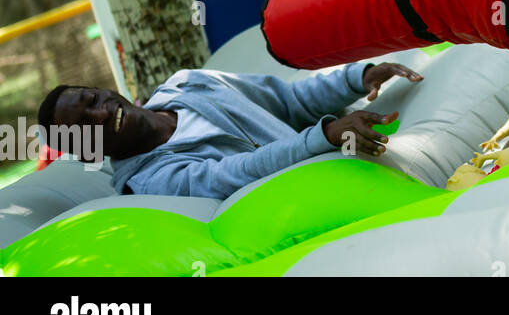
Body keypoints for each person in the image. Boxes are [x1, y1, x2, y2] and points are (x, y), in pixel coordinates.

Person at [37, 61, 423, 199]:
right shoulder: (150, 181)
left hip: (360, 166)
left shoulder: (187, 84)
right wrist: (324, 136)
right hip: (328, 194)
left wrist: (358, 77)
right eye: (86, 126)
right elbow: (237, 173)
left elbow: (287, 99)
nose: (102, 114)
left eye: (93, 100)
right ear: (88, 153)